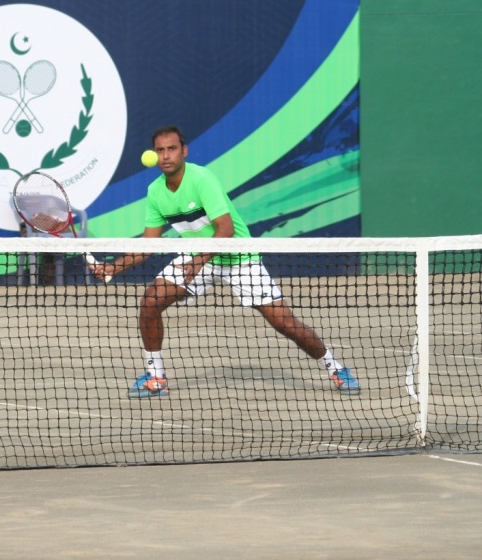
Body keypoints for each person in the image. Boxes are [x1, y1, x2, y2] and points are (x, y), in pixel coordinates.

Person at [90, 126, 361, 398]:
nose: (166, 156)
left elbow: (226, 229)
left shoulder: (201, 179)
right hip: (198, 256)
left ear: (184, 151)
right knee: (151, 301)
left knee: (285, 324)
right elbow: (149, 245)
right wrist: (114, 266)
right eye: (160, 150)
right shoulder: (155, 192)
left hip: (237, 257)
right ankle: (155, 377)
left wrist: (198, 261)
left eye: (172, 149)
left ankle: (335, 368)